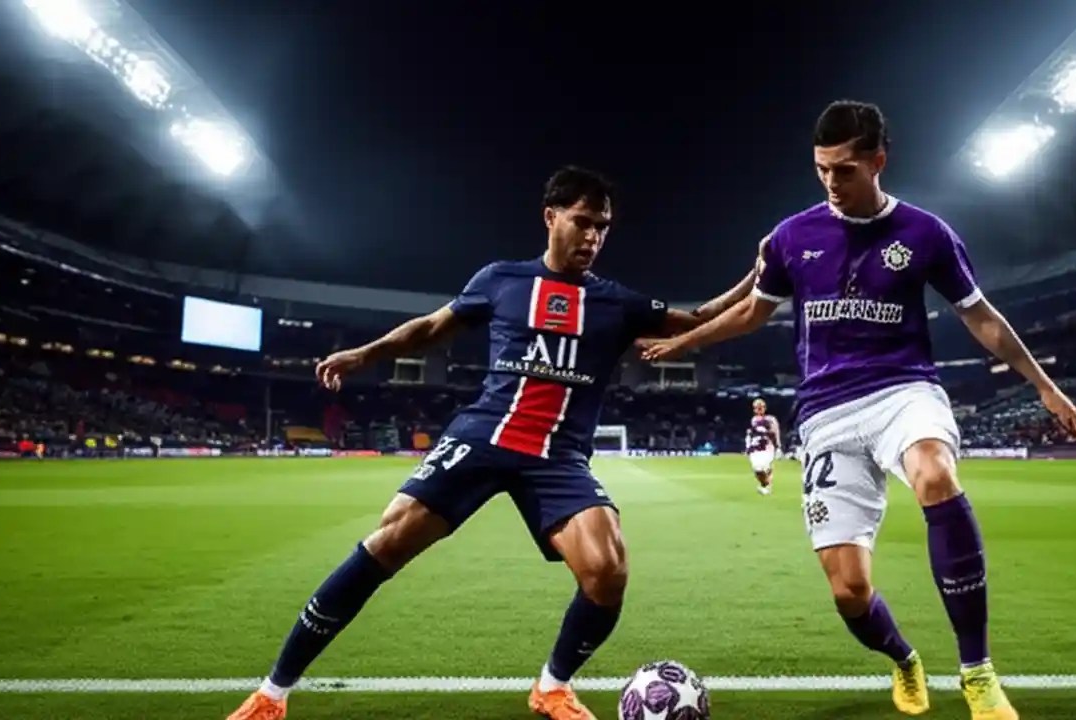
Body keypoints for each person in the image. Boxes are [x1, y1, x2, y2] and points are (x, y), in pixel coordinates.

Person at [225, 166, 754, 720]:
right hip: (485, 434)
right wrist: (364, 355)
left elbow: (698, 319)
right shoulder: (502, 280)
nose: (593, 236)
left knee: (608, 569)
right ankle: (273, 693)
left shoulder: (617, 304)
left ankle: (552, 686)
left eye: (603, 226)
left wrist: (756, 276)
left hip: (557, 455)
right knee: (387, 542)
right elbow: (430, 328)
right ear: (551, 217)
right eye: (583, 222)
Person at [642, 100, 1076, 720]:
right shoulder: (794, 234)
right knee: (849, 590)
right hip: (824, 412)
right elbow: (751, 312)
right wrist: (685, 343)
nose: (831, 182)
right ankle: (905, 660)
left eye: (845, 169)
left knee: (935, 473)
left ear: (879, 161)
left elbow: (981, 316)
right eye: (822, 169)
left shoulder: (926, 233)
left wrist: (1042, 383)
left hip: (902, 390)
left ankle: (977, 672)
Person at [744, 398, 781, 494]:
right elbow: (751, 434)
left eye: (761, 407)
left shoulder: (771, 419)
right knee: (757, 470)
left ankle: (767, 487)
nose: (759, 409)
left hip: (767, 447)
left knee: (762, 467)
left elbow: (775, 432)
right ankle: (766, 484)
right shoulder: (754, 420)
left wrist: (778, 446)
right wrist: (748, 446)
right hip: (755, 449)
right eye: (757, 408)